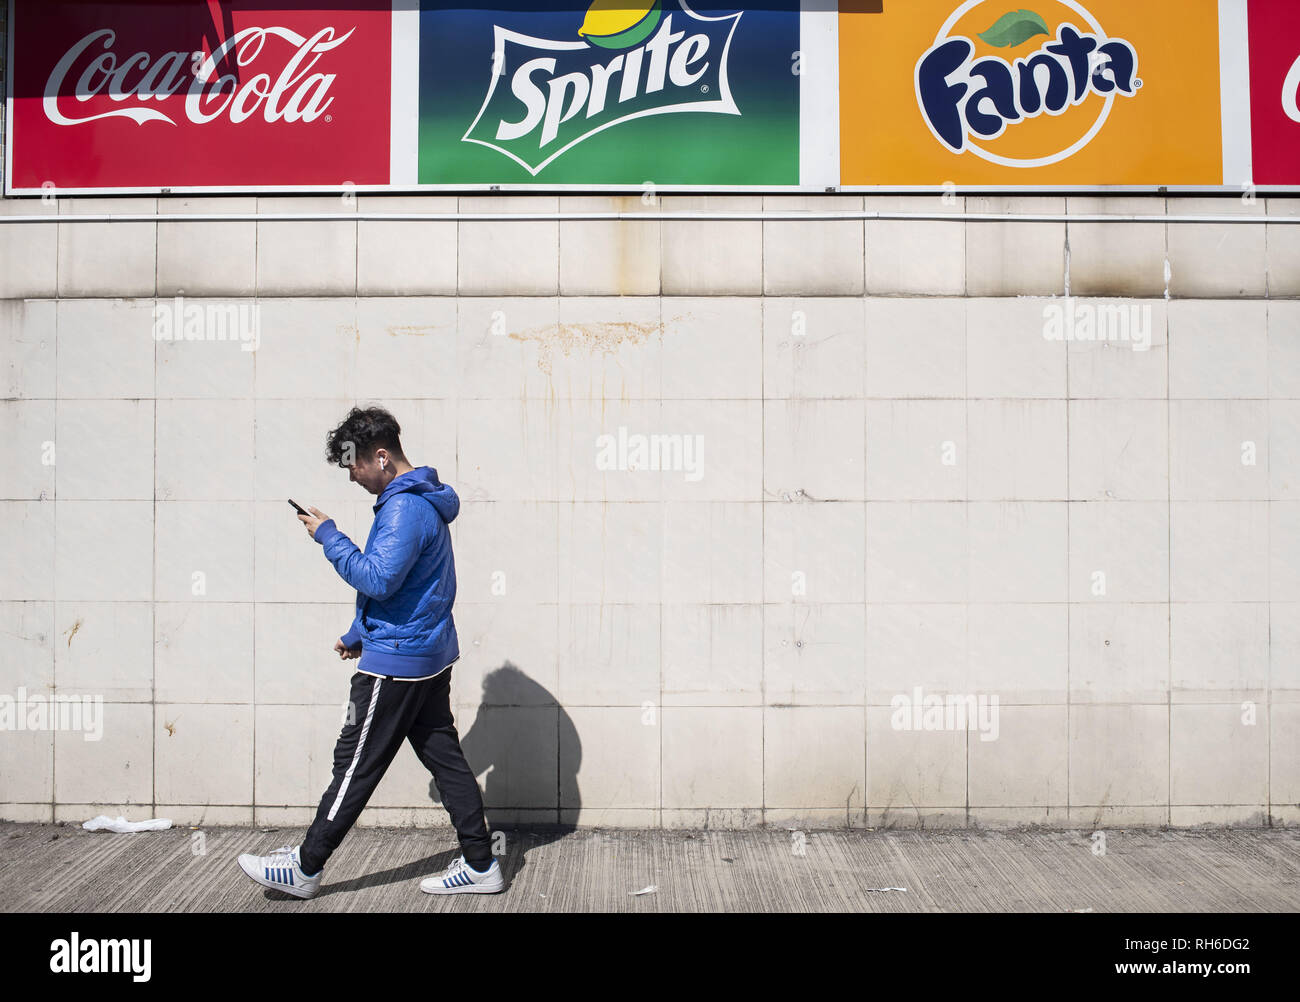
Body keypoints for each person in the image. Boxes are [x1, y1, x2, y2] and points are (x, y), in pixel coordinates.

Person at [236, 405, 503, 898]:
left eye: (354, 466)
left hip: (397, 665)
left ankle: (306, 867)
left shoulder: (403, 508)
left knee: (354, 763)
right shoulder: (421, 501)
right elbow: (417, 586)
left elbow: (379, 578)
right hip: (425, 655)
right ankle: (481, 864)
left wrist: (330, 537)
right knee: (445, 759)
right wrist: (359, 631)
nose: (353, 477)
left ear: (381, 457)